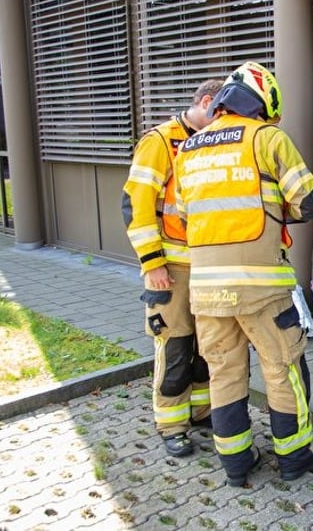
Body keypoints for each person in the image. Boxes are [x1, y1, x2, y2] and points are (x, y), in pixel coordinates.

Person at [174, 61, 313, 487]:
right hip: (262, 288)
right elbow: (310, 201)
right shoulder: (267, 138)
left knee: (224, 372)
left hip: (206, 290)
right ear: (262, 105)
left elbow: (187, 214)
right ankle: (296, 455)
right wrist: (276, 211)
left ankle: (237, 463)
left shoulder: (189, 149)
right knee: (282, 367)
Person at [121, 79, 223, 457]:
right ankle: (171, 423)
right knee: (176, 347)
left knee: (205, 346)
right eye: (222, 109)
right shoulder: (161, 141)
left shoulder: (211, 140)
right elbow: (136, 205)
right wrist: (152, 264)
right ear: (207, 102)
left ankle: (200, 411)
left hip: (207, 268)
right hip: (171, 268)